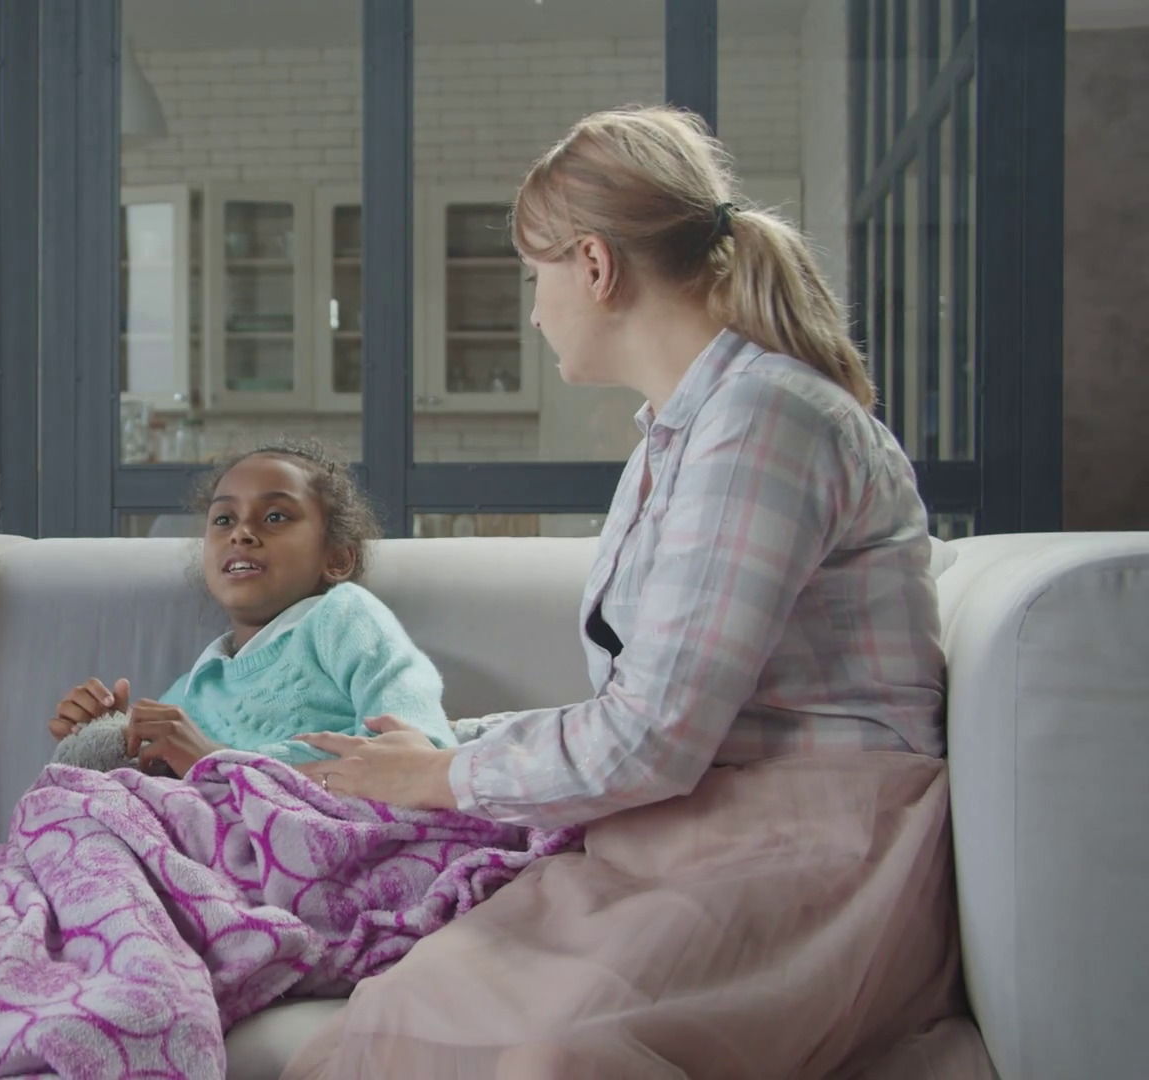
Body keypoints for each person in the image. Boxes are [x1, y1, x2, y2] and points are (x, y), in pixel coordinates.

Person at [287, 106, 971, 1078]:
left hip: (817, 849)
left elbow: (654, 734)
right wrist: (451, 749)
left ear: (596, 267)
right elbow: (650, 711)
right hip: (708, 828)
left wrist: (441, 777)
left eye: (538, 275)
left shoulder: (763, 421)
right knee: (388, 1017)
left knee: (546, 1056)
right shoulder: (683, 433)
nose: (533, 310)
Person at [49, 439, 456, 777]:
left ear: (336, 558)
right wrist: (112, 737)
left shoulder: (343, 619)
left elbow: (420, 751)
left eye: (275, 516)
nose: (242, 533)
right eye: (224, 519)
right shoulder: (193, 687)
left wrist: (219, 761)